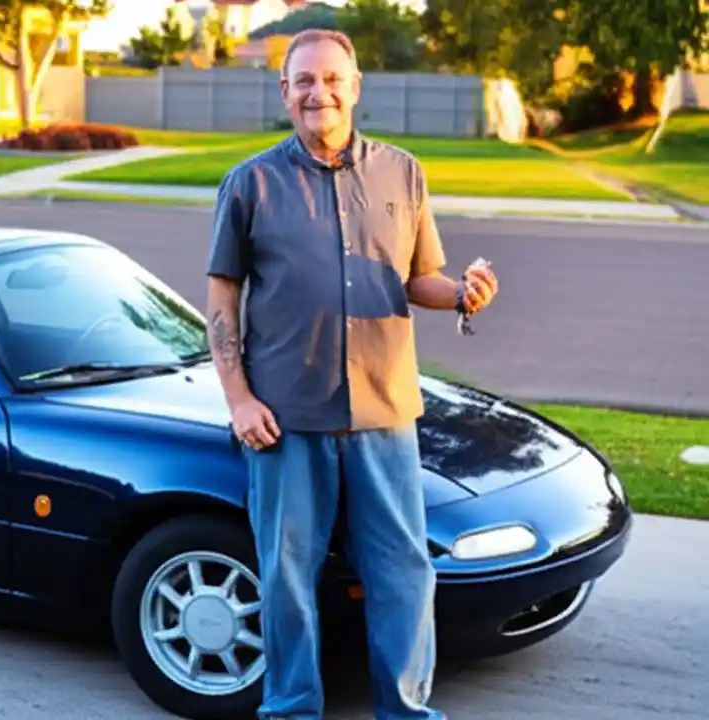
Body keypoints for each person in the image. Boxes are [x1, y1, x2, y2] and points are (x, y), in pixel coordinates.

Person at [204, 28, 498, 720]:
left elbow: (418, 277)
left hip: (385, 415)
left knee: (404, 572)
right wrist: (239, 397)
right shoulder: (250, 183)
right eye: (304, 81)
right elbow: (222, 293)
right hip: (285, 419)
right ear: (284, 92)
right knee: (286, 576)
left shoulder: (403, 172)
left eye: (333, 79)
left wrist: (460, 292)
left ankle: (404, 710)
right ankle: (291, 709)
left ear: (356, 85)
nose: (319, 93)